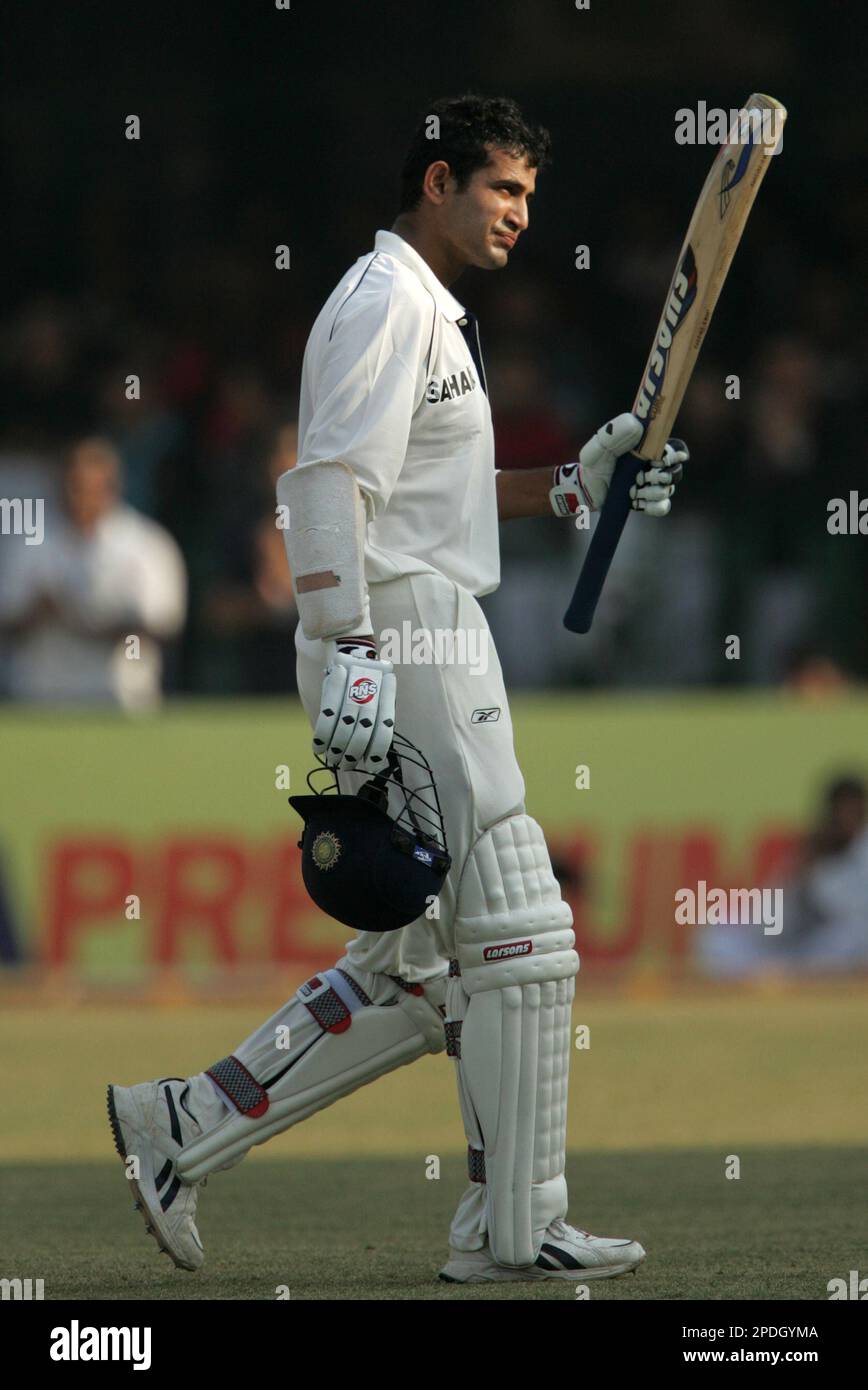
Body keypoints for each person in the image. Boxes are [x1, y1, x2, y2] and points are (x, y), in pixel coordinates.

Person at [108, 94, 686, 1284]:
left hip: (422, 620)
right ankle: (519, 1230)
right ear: (438, 181)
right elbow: (324, 488)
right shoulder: (383, 302)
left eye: (531, 196)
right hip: (402, 630)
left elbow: (444, 500)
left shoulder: (430, 310)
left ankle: (185, 1123)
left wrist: (576, 482)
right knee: (521, 925)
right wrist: (353, 645)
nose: (523, 216)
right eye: (504, 191)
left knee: (428, 964)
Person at [0, 437, 186, 709]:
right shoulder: (30, 543)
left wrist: (99, 619)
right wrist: (39, 611)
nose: (78, 498)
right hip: (39, 695)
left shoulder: (146, 544)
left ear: (112, 487)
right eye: (72, 486)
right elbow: (8, 618)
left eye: (88, 488)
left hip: (119, 697)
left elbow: (164, 623)